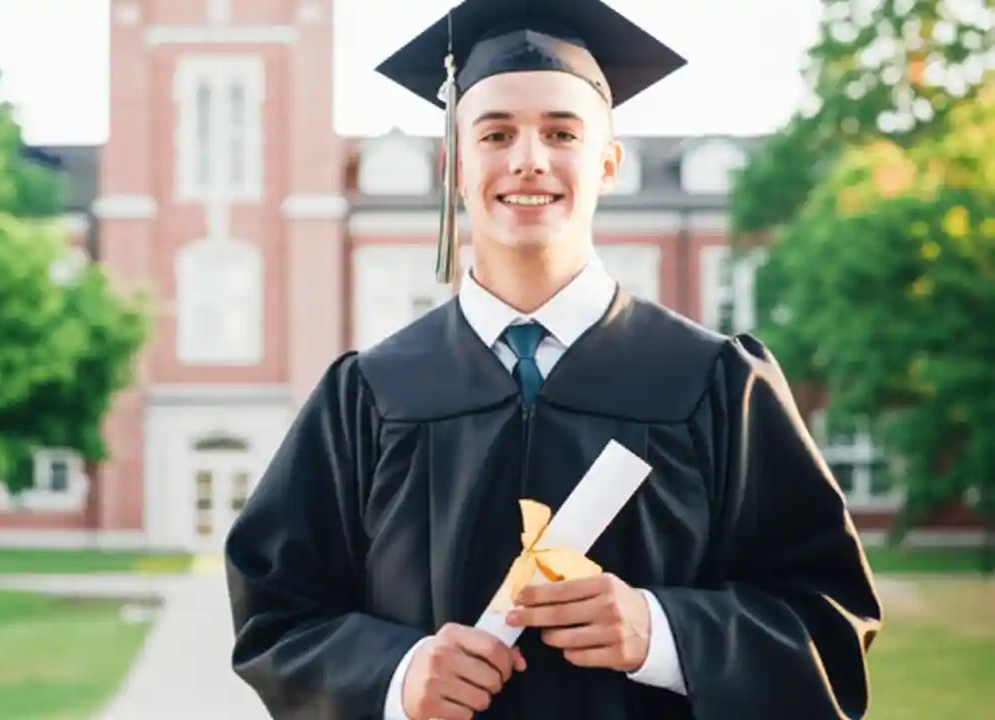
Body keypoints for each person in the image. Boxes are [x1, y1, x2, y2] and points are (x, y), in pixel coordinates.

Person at [224, 0, 883, 718]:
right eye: (496, 133)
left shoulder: (714, 383)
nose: (528, 159)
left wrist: (665, 635)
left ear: (609, 162)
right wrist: (395, 675)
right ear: (454, 165)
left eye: (561, 133)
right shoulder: (372, 395)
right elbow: (277, 617)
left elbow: (827, 619)